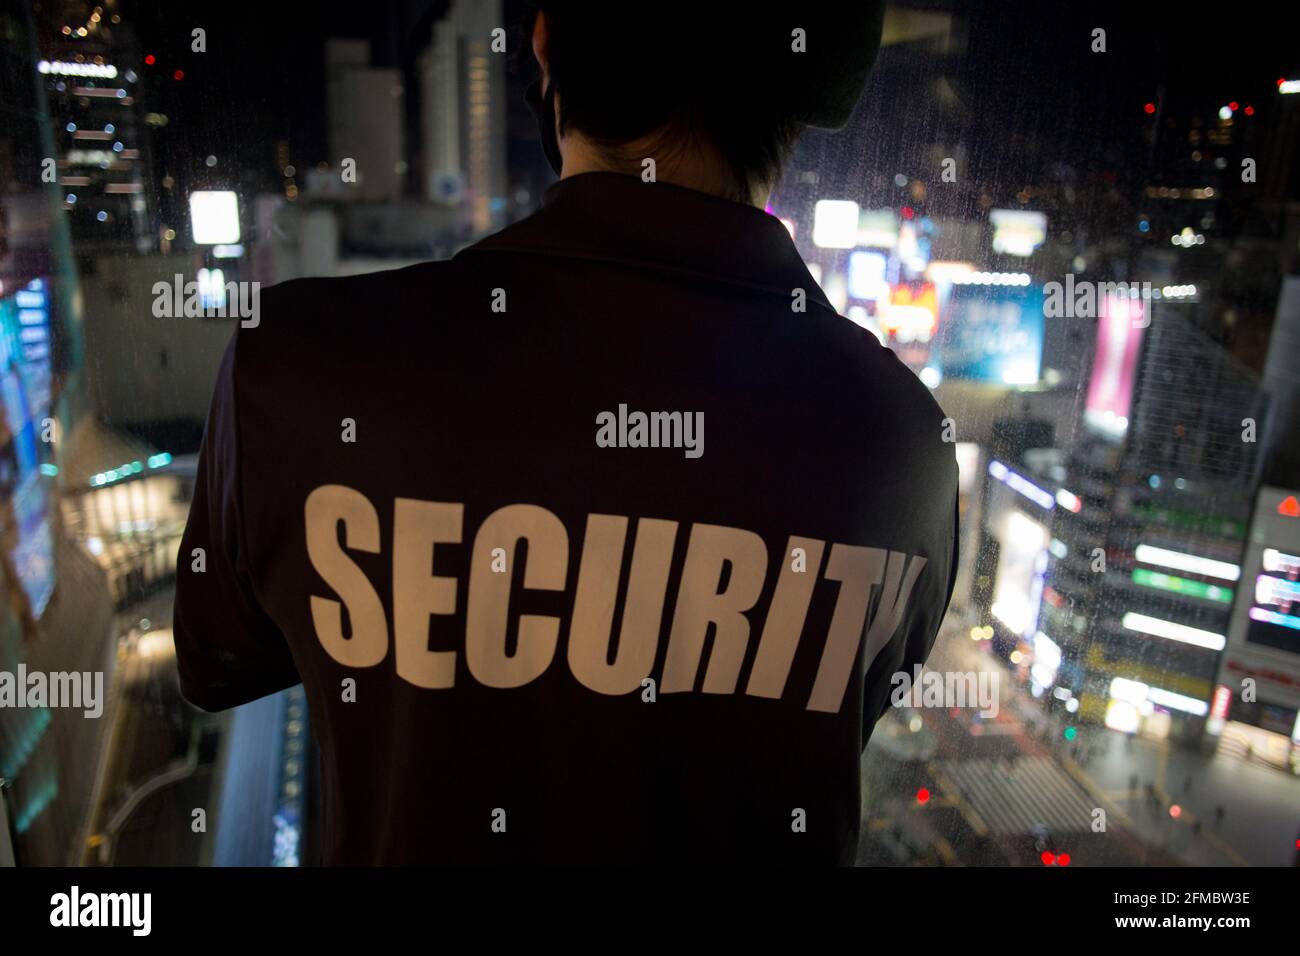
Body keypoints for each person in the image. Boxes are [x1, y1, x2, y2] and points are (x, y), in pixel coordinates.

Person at [172, 1, 959, 864]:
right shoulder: (901, 446)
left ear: (544, 45)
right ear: (816, 89)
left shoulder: (297, 365)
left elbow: (222, 663)